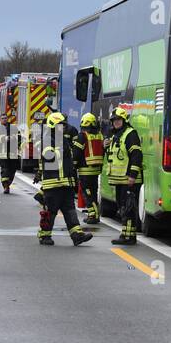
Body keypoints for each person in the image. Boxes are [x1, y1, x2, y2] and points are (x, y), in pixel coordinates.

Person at [33, 111, 92, 247]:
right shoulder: (47, 139)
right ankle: (45, 235)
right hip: (53, 184)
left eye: (64, 125)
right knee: (50, 211)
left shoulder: (63, 140)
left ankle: (77, 235)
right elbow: (48, 155)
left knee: (70, 210)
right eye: (60, 125)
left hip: (66, 183)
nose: (63, 128)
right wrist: (61, 150)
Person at [105, 106, 142, 245]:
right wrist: (105, 146)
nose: (116, 122)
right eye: (114, 120)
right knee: (123, 207)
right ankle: (127, 235)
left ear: (124, 120)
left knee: (128, 208)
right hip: (120, 180)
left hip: (128, 180)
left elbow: (137, 156)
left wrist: (132, 175)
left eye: (119, 120)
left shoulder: (130, 134)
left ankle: (128, 236)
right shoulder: (116, 135)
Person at [75, 112, 104, 224]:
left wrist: (74, 165)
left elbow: (77, 153)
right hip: (96, 171)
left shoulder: (83, 136)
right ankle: (94, 214)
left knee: (88, 194)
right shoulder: (99, 135)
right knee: (93, 193)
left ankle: (93, 215)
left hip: (85, 171)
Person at [0, 114, 19, 193]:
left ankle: (8, 184)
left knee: (12, 170)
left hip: (13, 154)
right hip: (2, 154)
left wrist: (14, 138)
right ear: (0, 120)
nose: (4, 120)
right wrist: (4, 138)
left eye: (6, 118)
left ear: (8, 119)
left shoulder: (14, 128)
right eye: (3, 118)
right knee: (5, 170)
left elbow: (20, 137)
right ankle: (6, 186)